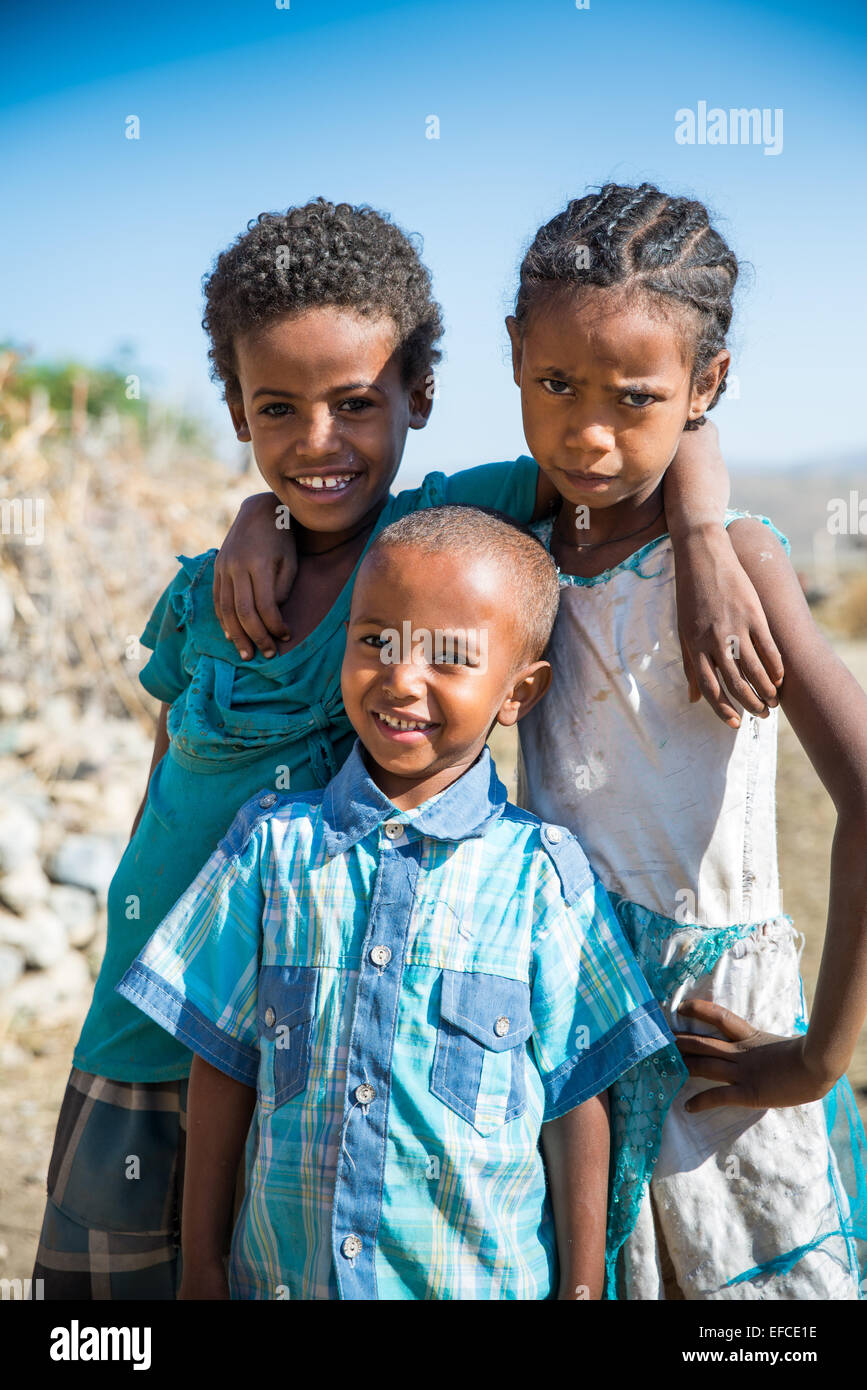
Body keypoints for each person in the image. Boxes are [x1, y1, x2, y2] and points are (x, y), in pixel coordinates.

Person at [32, 198, 775, 1299]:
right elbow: (155, 803)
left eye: (355, 404)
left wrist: (708, 536)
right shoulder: (207, 590)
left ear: (417, 396)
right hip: (142, 1035)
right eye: (276, 408)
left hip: (304, 1043)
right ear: (235, 410)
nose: (318, 442)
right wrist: (256, 516)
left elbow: (660, 436)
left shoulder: (427, 545)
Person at [117, 506, 685, 1300]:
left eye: (448, 658)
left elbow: (573, 1100)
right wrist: (204, 1266)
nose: (400, 678)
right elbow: (223, 1064)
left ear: (519, 691)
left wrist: (583, 1286)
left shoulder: (542, 878)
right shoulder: (272, 848)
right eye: (375, 640)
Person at [505, 182, 867, 1298]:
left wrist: (817, 1058)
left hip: (714, 1039)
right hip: (559, 1019)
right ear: (512, 352)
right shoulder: (509, 542)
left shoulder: (733, 562)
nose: (589, 431)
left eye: (636, 397)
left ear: (705, 389)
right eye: (556, 384)